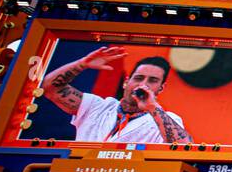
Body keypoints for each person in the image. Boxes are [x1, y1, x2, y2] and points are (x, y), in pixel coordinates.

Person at [41, 47, 193, 143]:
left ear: (160, 89)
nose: (143, 84)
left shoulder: (166, 118)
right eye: (139, 78)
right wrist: (81, 64)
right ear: (126, 82)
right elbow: (50, 87)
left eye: (152, 81)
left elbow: (184, 147)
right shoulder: (98, 106)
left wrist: (152, 107)